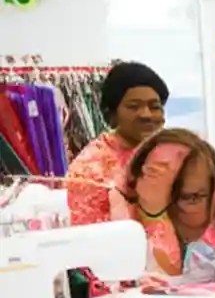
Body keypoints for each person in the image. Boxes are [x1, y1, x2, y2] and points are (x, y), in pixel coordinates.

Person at [114, 128, 215, 279]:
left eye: (190, 198)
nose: (172, 211)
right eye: (154, 174)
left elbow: (173, 276)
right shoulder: (118, 223)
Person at [67, 62, 168, 226]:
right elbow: (89, 237)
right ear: (112, 114)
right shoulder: (89, 169)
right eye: (134, 107)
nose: (146, 115)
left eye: (154, 106)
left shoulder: (171, 151)